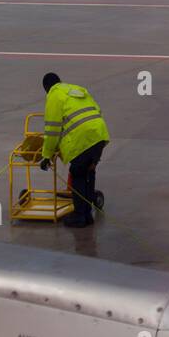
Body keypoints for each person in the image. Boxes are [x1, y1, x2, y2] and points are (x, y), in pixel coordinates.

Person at [39, 73, 110, 228]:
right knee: (89, 171)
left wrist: (46, 156)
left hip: (82, 139)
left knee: (77, 172)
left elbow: (52, 130)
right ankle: (87, 214)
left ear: (46, 88)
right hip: (99, 133)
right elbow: (97, 109)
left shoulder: (54, 95)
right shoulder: (77, 89)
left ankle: (79, 216)